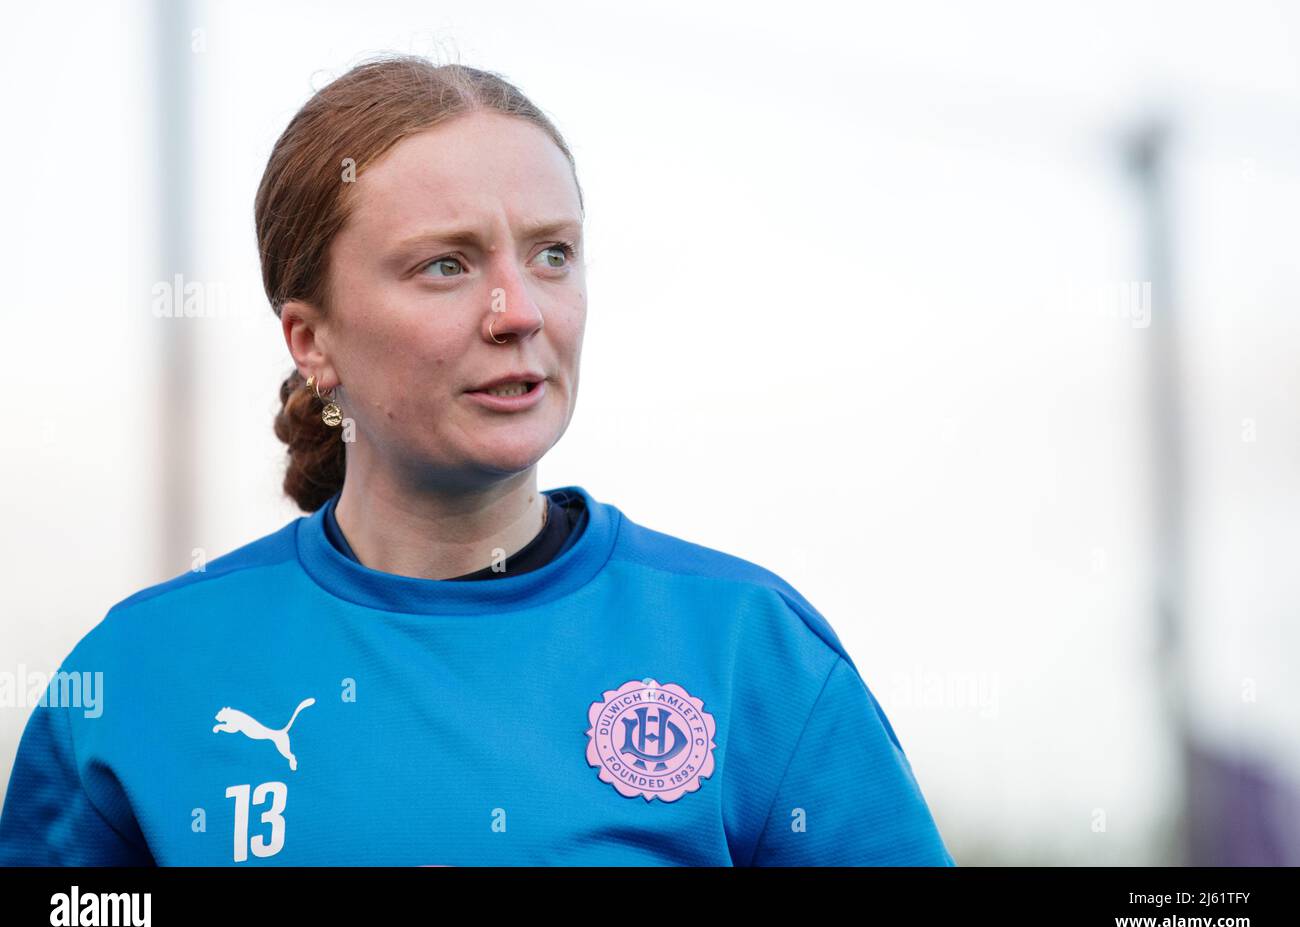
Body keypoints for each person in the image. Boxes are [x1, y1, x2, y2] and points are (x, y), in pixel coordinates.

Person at [0, 54, 954, 866]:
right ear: (310, 338)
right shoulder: (142, 674)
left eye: (551, 255)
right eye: (446, 265)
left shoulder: (748, 648)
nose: (520, 312)